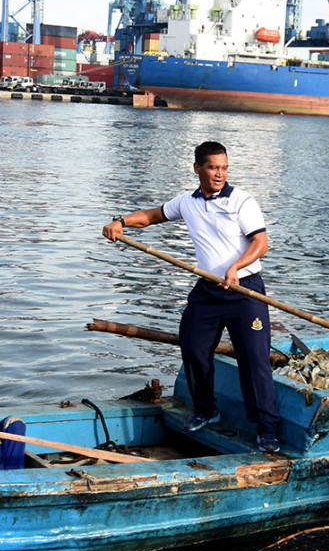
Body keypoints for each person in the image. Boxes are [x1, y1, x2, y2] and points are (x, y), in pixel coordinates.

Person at [103, 141, 281, 453]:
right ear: (197, 168)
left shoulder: (242, 201)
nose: (219, 174)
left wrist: (236, 267)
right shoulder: (188, 202)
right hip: (209, 290)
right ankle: (206, 409)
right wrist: (121, 222)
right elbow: (153, 216)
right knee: (193, 345)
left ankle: (267, 428)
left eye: (224, 168)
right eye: (213, 167)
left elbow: (260, 243)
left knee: (254, 361)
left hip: (245, 289)